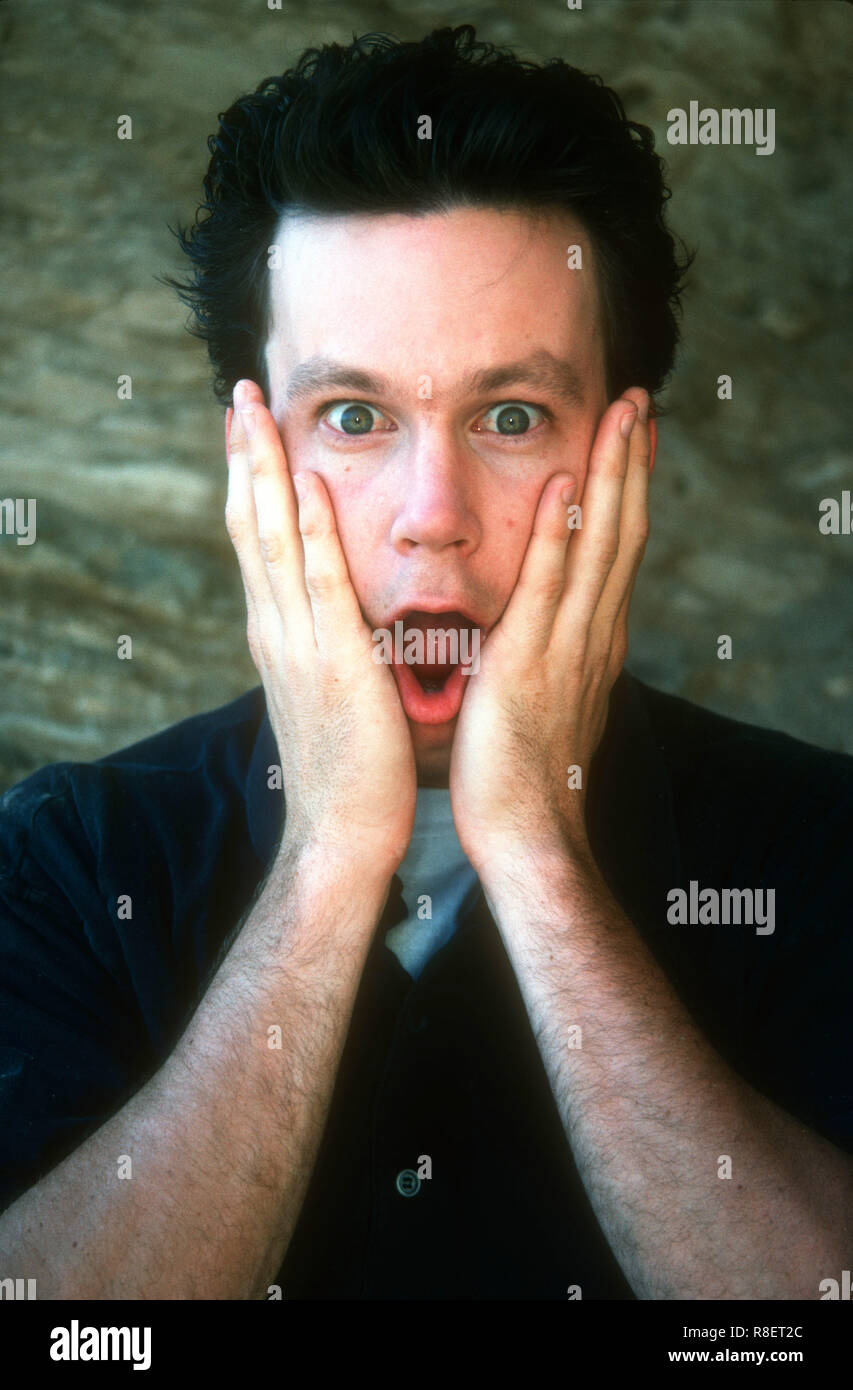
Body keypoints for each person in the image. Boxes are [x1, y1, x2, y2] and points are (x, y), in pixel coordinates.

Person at [0, 25, 850, 1302]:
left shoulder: (819, 846)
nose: (432, 511)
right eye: (353, 418)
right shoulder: (64, 861)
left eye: (511, 417)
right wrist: (331, 855)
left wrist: (539, 853)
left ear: (628, 460)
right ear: (253, 464)